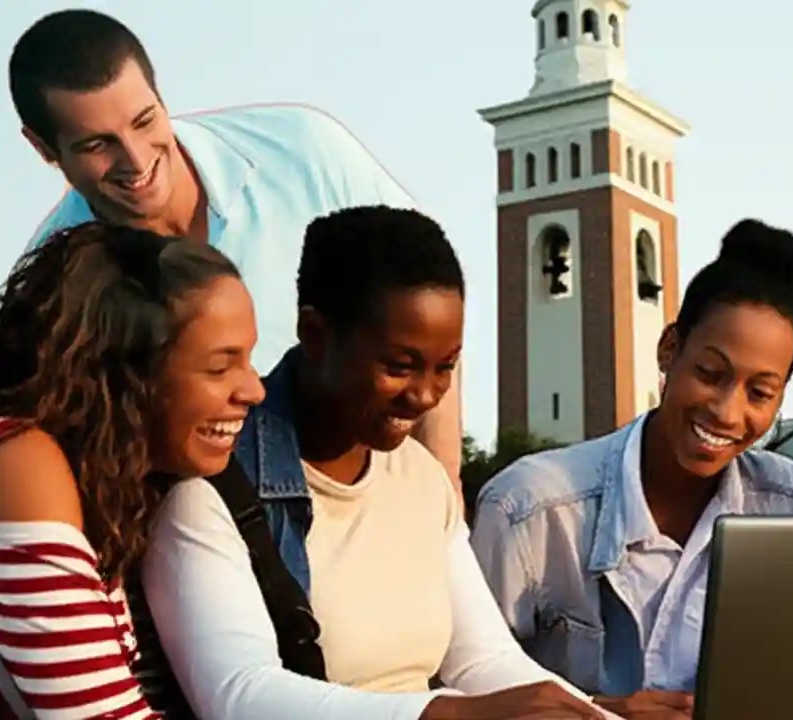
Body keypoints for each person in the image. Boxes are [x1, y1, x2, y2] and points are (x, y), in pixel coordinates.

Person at [141, 206, 630, 720]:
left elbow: (486, 659)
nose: (425, 396)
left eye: (445, 367)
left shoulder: (418, 477)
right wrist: (447, 716)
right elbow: (237, 695)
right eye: (399, 367)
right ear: (315, 334)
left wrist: (595, 716)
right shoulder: (213, 487)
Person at [8, 8, 462, 485]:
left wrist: (443, 487)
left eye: (144, 121)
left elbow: (430, 302)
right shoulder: (54, 286)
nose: (136, 160)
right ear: (43, 149)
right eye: (98, 145)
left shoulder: (303, 150)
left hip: (379, 502)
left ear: (160, 96)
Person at [470, 219, 793, 715]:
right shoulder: (530, 509)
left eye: (759, 393)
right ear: (669, 350)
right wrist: (599, 714)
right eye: (709, 373)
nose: (726, 411)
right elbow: (465, 694)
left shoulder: (785, 502)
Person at [0, 223, 264, 718]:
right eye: (220, 367)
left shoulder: (106, 488)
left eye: (248, 360)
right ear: (123, 374)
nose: (253, 390)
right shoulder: (19, 461)